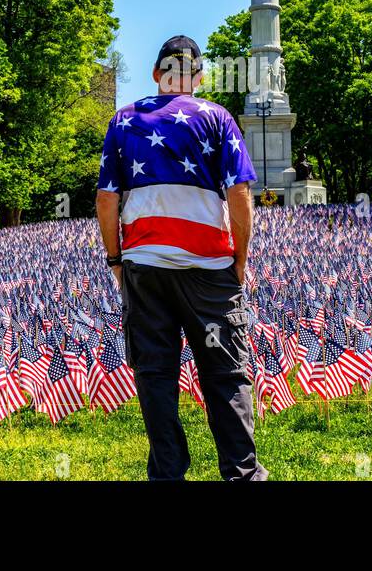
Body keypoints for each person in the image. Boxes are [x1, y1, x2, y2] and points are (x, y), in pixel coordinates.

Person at [95, 35, 266, 480]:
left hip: (145, 265)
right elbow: (240, 194)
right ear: (199, 77)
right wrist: (239, 260)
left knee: (155, 375)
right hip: (208, 268)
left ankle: (168, 474)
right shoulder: (218, 118)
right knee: (225, 374)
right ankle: (242, 474)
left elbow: (106, 198)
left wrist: (116, 260)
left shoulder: (125, 120)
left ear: (157, 73)